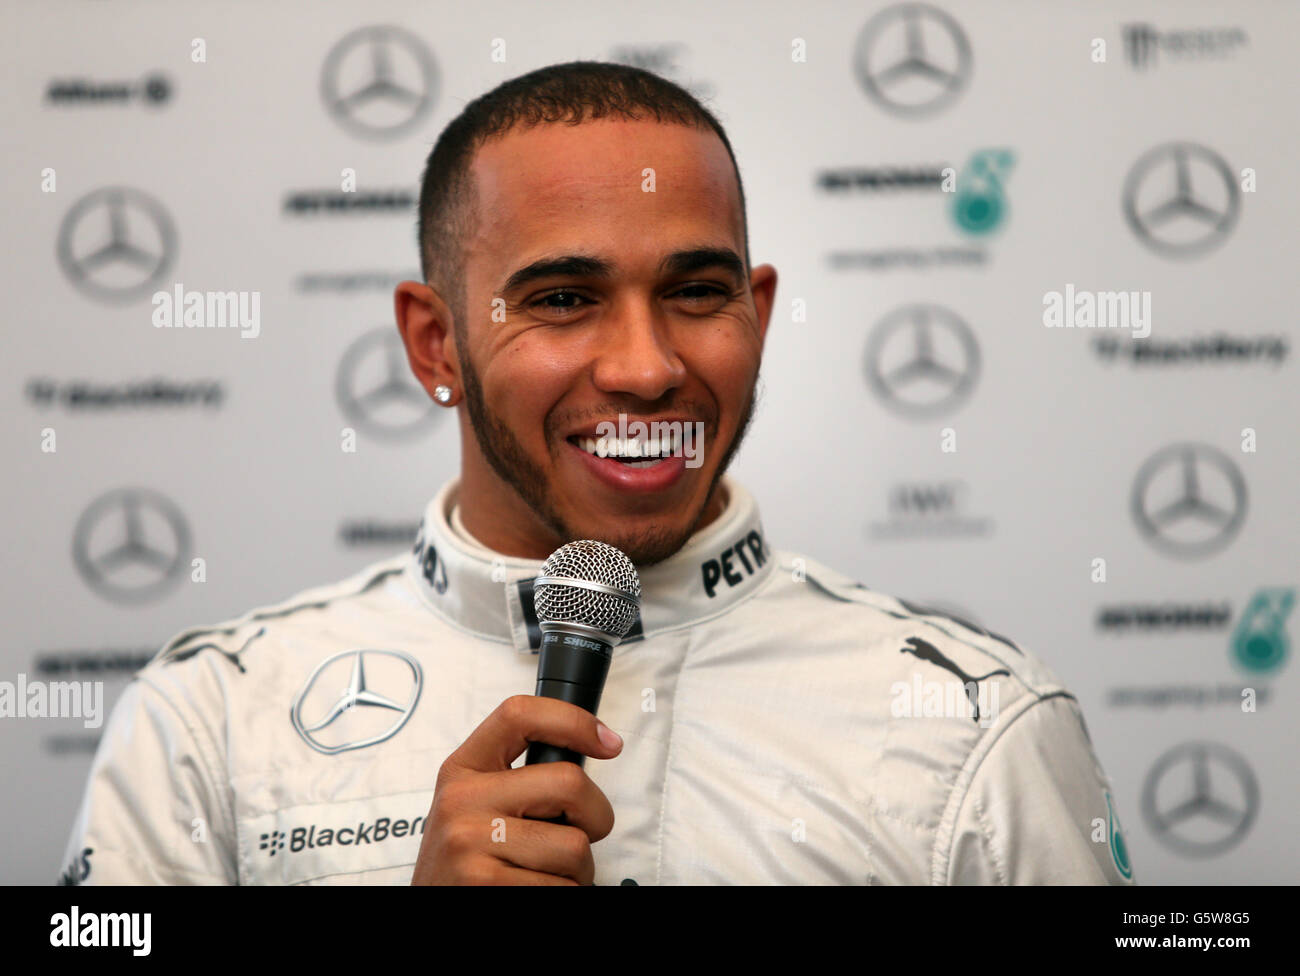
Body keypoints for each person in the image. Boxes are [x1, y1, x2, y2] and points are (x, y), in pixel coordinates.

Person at [59, 61, 1135, 886]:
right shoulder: (208, 720)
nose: (646, 368)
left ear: (756, 316)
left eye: (696, 292)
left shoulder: (977, 723)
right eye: (564, 300)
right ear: (436, 344)